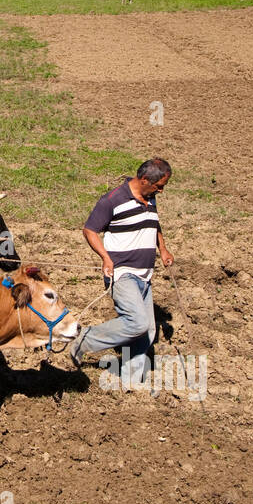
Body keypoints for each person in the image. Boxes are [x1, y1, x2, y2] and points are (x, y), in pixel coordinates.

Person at [74, 158, 174, 384]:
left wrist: (164, 249)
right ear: (144, 179)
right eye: (159, 186)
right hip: (122, 272)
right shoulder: (112, 200)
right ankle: (84, 341)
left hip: (145, 275)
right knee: (137, 322)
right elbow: (90, 230)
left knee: (147, 332)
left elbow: (153, 223)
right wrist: (105, 258)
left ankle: (130, 380)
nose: (161, 191)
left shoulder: (150, 197)